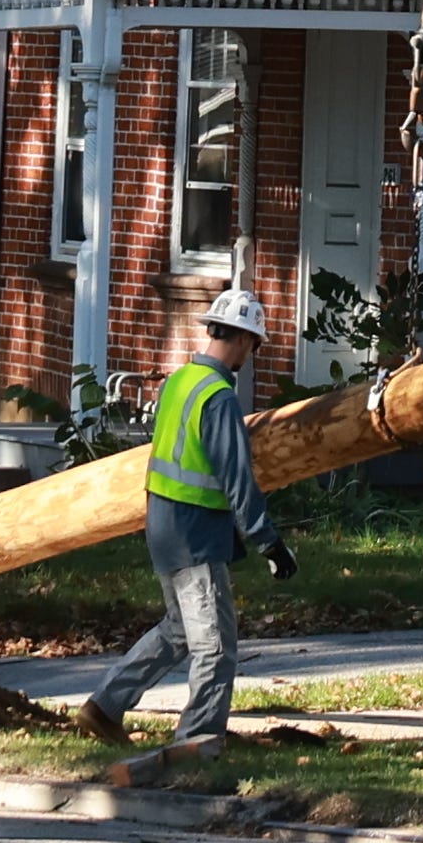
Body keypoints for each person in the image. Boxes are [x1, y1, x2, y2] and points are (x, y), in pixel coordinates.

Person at [75, 289, 296, 748]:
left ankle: (105, 706)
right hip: (197, 536)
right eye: (254, 344)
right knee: (215, 645)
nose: (252, 355)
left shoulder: (177, 382)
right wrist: (269, 543)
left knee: (179, 629)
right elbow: (237, 478)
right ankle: (198, 741)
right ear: (243, 339)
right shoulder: (219, 398)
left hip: (163, 526)